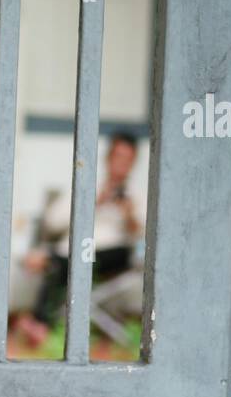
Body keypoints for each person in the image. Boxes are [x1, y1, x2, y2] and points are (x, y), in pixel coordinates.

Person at [16, 132, 142, 348]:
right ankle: (40, 322)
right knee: (62, 262)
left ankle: (39, 322)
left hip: (113, 255)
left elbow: (143, 238)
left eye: (127, 159)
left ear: (133, 162)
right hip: (73, 250)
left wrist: (129, 216)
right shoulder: (87, 186)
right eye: (117, 157)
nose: (121, 164)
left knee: (58, 262)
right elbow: (53, 220)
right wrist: (93, 202)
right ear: (107, 158)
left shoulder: (139, 195)